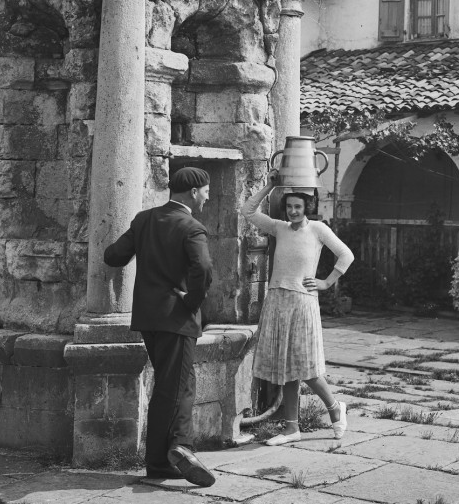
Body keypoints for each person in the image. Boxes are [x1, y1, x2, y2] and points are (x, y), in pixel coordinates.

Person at [104, 166, 218, 486]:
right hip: (176, 319)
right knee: (178, 386)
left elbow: (114, 255)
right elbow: (204, 270)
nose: (208, 196)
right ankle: (180, 447)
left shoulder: (144, 220)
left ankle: (160, 461)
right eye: (206, 190)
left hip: (148, 319)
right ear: (193, 192)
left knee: (172, 386)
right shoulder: (191, 227)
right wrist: (191, 302)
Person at [241, 178, 354, 445]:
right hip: (277, 301)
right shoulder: (279, 228)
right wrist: (270, 186)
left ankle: (335, 408)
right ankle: (292, 428)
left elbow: (346, 255)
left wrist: (327, 281)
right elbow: (247, 211)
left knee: (307, 367)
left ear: (307, 208)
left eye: (298, 207)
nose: (293, 211)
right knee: (286, 368)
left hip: (303, 302)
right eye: (289, 206)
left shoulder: (317, 229)